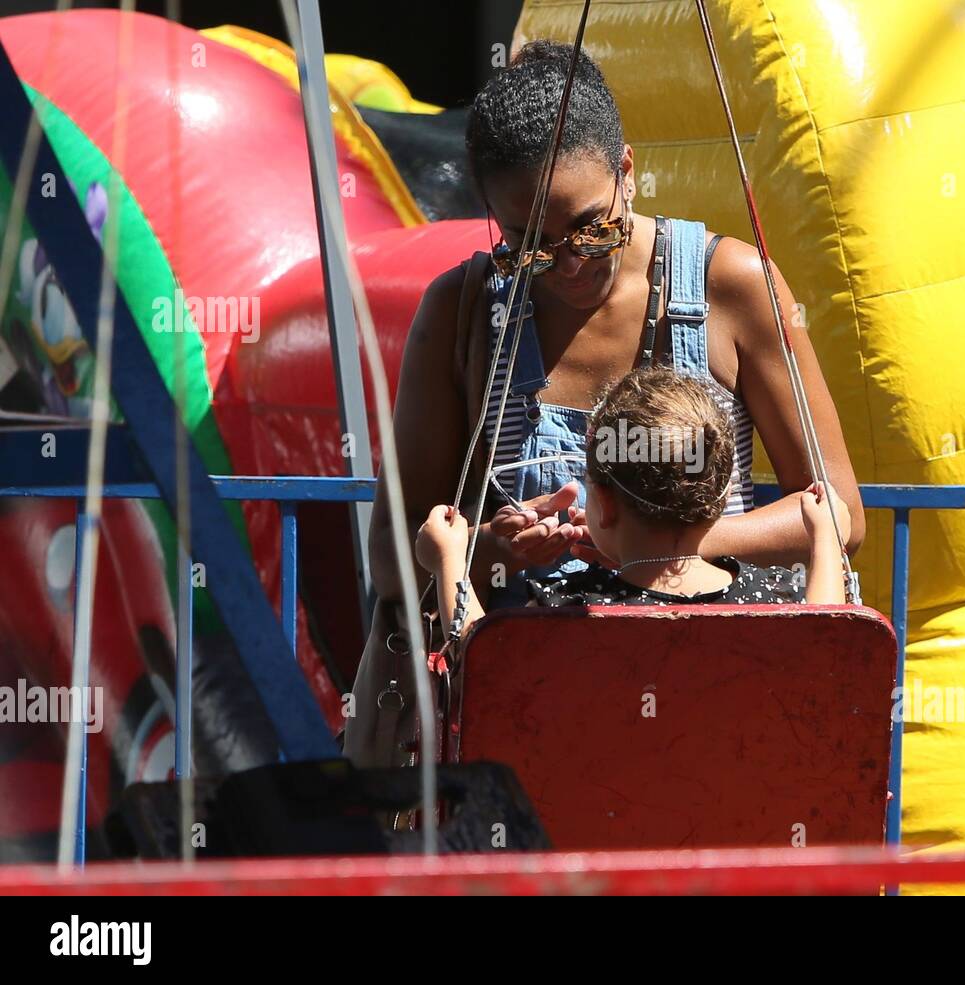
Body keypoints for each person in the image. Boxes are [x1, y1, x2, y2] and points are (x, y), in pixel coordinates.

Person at [346, 40, 862, 764]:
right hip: (530, 732)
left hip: (715, 708)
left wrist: (661, 541)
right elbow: (394, 551)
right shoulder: (462, 311)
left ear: (627, 169)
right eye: (529, 244)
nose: (569, 265)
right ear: (491, 218)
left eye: (592, 227)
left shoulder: (732, 285)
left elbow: (838, 509)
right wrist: (493, 549)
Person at [417, 367, 850, 640]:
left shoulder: (568, 614)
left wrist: (449, 560)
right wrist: (825, 539)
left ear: (601, 503)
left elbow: (482, 659)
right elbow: (828, 634)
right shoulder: (778, 602)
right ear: (717, 499)